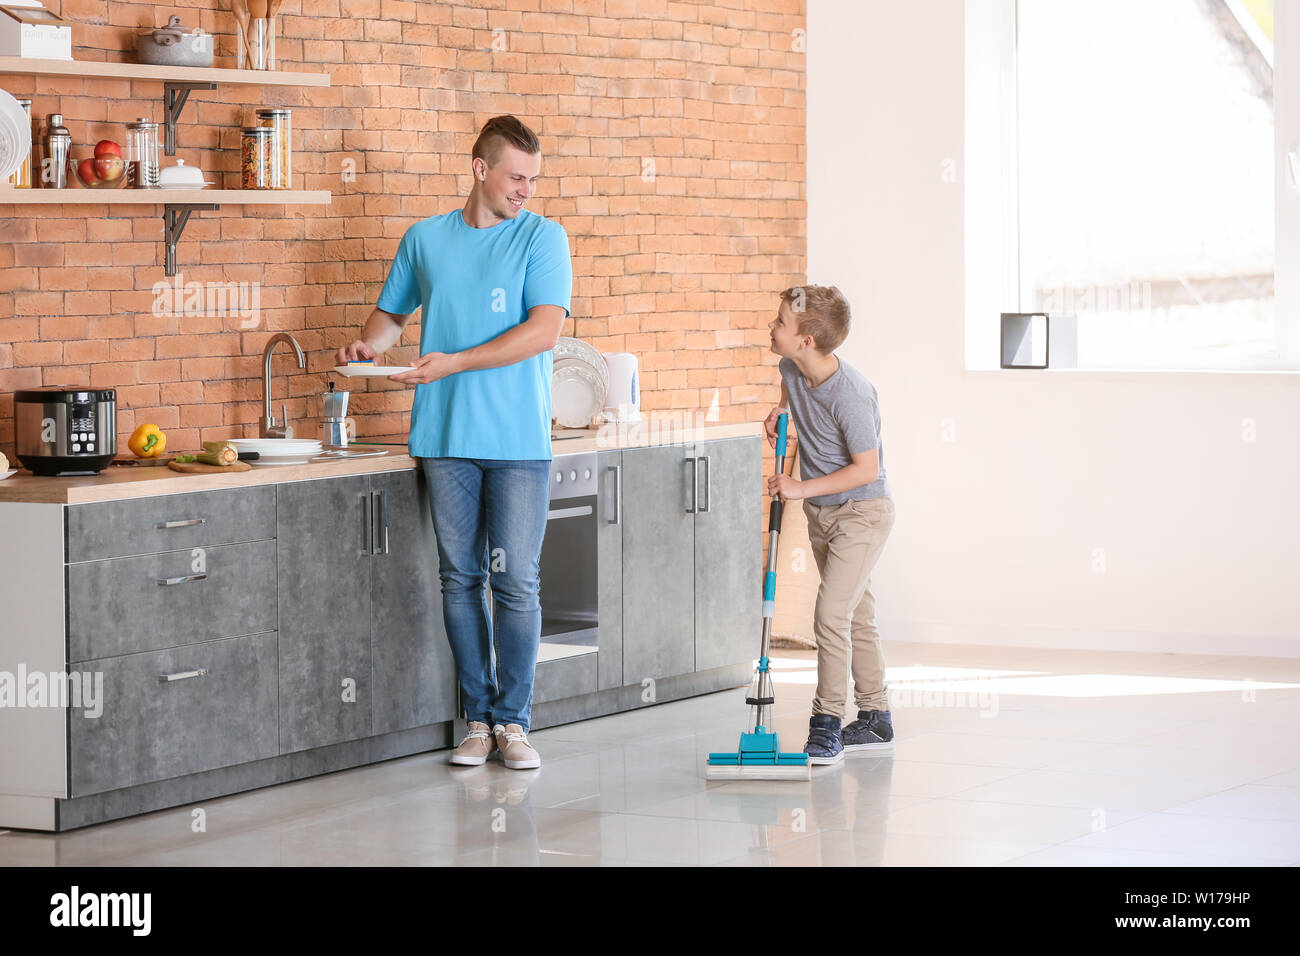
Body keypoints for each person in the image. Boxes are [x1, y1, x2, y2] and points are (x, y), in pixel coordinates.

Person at [337, 116, 572, 770]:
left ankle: (514, 723)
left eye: (533, 179)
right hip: (443, 436)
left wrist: (455, 362)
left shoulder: (542, 238)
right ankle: (478, 720)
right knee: (460, 579)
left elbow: (544, 332)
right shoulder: (426, 239)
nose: (526, 189)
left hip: (519, 439)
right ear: (480, 168)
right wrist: (369, 346)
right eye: (515, 177)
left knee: (517, 583)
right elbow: (391, 314)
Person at [763, 285, 896, 765]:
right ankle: (876, 718)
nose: (771, 327)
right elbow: (788, 401)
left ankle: (826, 725)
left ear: (807, 341)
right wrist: (779, 415)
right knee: (856, 615)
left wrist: (798, 488)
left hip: (861, 513)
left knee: (830, 617)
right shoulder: (790, 367)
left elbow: (867, 469)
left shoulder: (853, 395)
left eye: (780, 322)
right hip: (823, 512)